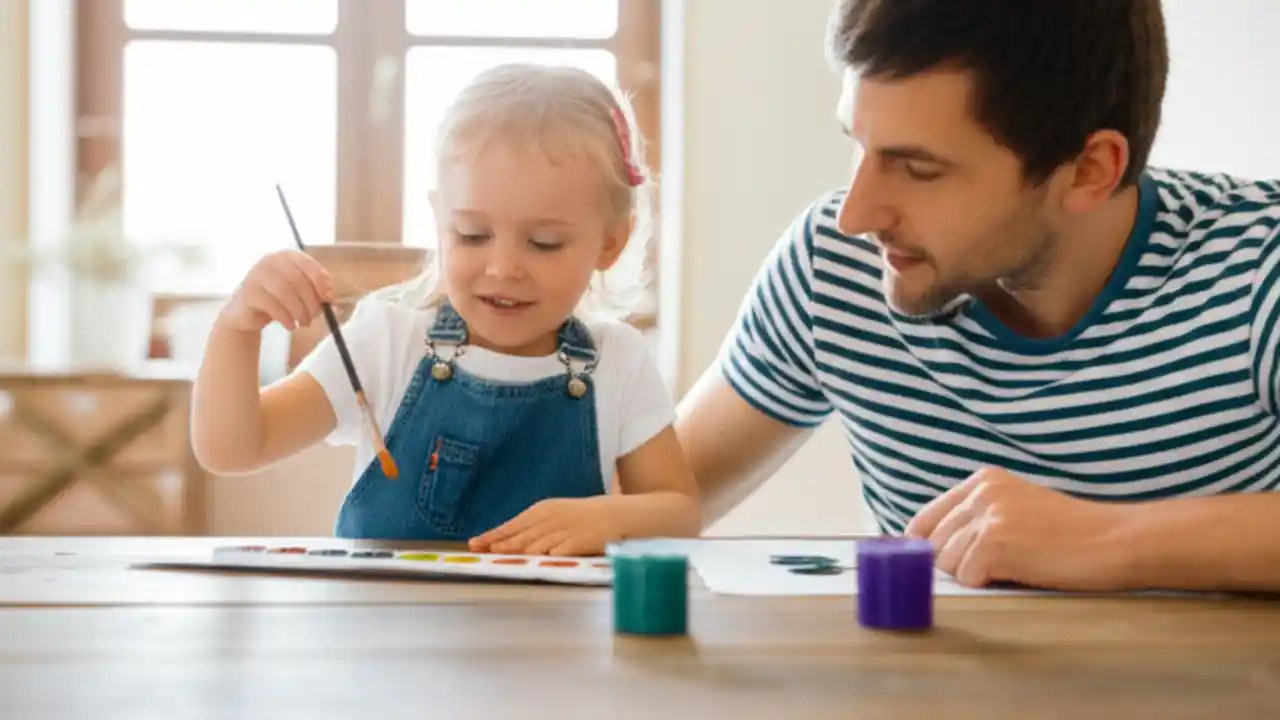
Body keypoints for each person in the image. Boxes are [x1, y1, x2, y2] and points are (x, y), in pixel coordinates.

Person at [675, 0, 1280, 592]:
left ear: (1089, 170)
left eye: (919, 169)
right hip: (928, 690)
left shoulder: (1257, 265)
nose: (855, 215)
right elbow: (647, 503)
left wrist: (1099, 539)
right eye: (858, 144)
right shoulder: (834, 268)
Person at [192, 64, 699, 556]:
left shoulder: (621, 363)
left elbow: (679, 511)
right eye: (472, 235)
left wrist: (609, 520)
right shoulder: (386, 343)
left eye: (543, 243)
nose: (503, 268)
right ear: (439, 220)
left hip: (548, 639)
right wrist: (239, 326)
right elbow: (232, 448)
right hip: (383, 634)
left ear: (611, 242)